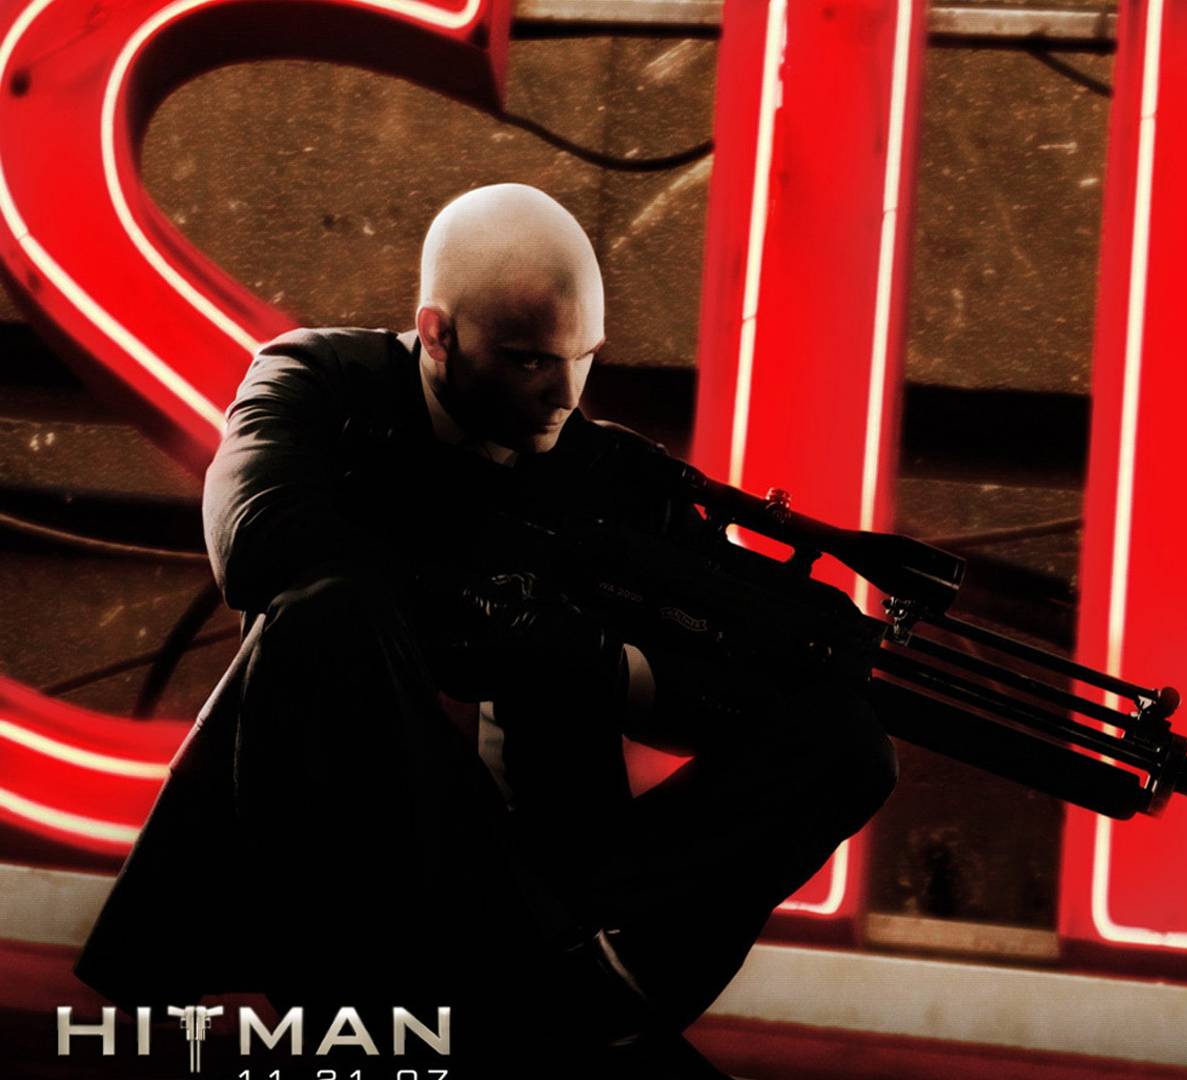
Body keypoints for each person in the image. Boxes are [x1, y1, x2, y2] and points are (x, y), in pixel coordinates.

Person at [72, 183, 898, 1076]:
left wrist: (605, 666)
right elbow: (260, 545)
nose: (565, 393)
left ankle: (596, 994)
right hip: (352, 850)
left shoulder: (610, 472)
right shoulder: (319, 381)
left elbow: (736, 684)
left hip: (549, 875)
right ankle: (536, 997)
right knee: (327, 610)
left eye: (584, 358)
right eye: (530, 360)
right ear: (436, 332)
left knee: (849, 741)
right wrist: (490, 617)